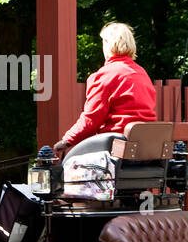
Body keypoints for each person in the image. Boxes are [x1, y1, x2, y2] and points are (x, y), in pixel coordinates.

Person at [53, 22, 156, 159]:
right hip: (145, 150)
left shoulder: (106, 75)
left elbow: (91, 120)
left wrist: (66, 141)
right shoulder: (141, 73)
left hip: (116, 150)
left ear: (108, 44)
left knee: (69, 168)